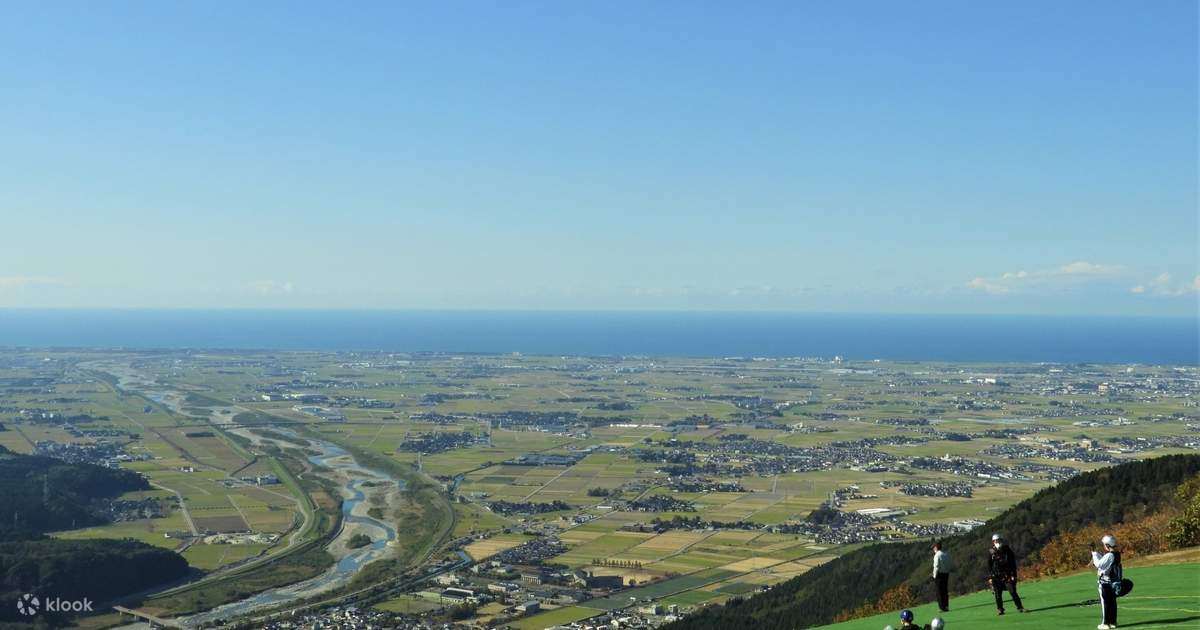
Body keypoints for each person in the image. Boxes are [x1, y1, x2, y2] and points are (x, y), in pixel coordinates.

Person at [988, 533, 1025, 614]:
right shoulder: (991, 552)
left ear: (1001, 540)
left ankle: (1020, 607)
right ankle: (1000, 609)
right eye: (995, 540)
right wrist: (990, 577)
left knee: (1013, 592)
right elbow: (989, 565)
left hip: (1007, 575)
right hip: (996, 577)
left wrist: (1013, 575)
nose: (997, 542)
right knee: (998, 595)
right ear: (993, 542)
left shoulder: (1007, 550)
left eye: (998, 540)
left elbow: (1013, 564)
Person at [1092, 534, 1122, 629]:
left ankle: (1105, 623)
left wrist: (1094, 554)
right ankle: (1113, 622)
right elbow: (1105, 561)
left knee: (1105, 603)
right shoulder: (1116, 554)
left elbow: (1098, 564)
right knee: (1112, 602)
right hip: (1113, 581)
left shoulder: (1109, 555)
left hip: (1105, 582)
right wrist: (1097, 554)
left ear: (1108, 545)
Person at [932, 540, 952, 612]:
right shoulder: (946, 554)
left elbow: (936, 566)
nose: (933, 549)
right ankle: (946, 606)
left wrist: (934, 575)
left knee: (939, 591)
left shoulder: (937, 555)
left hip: (939, 575)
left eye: (934, 547)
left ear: (936, 547)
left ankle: (941, 607)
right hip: (946, 573)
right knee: (945, 590)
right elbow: (950, 564)